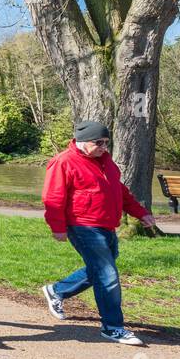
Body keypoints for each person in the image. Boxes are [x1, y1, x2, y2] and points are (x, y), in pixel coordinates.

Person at [41, 121, 157, 346]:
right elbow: (52, 198)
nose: (104, 146)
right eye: (99, 142)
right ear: (82, 142)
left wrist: (140, 213)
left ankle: (57, 291)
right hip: (82, 225)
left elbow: (121, 192)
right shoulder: (63, 162)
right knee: (108, 275)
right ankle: (113, 328)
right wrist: (57, 227)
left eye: (106, 142)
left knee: (103, 268)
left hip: (106, 225)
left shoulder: (106, 162)